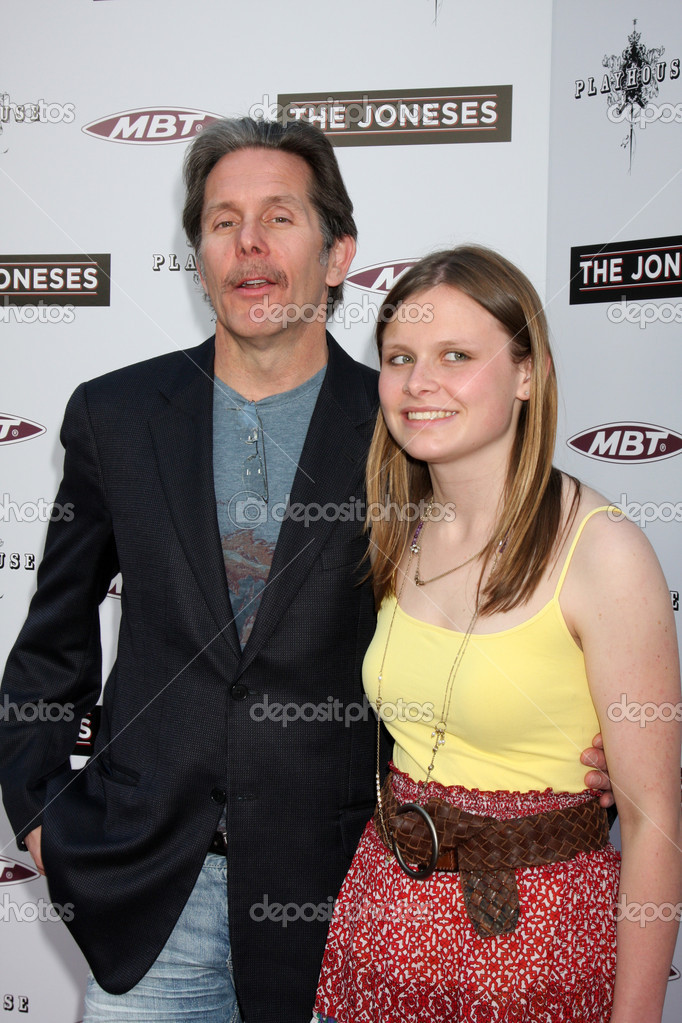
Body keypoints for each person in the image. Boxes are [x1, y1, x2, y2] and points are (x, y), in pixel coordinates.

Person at [0, 122, 612, 1023]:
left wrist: (577, 755)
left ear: (338, 255)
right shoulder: (114, 416)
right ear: (199, 257)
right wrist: (43, 817)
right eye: (222, 222)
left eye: (279, 217)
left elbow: (511, 592)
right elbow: (52, 641)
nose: (249, 244)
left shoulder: (407, 422)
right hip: (149, 899)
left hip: (345, 894)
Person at [313, 246, 681, 1023]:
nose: (419, 383)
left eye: (457, 355)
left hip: (537, 957)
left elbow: (654, 823)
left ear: (527, 373)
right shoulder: (396, 534)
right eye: (399, 358)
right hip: (381, 933)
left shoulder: (603, 551)